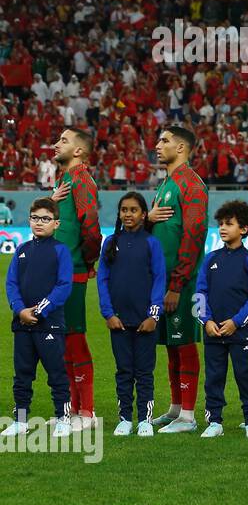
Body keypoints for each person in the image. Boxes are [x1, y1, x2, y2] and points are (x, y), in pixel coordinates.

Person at [147, 126, 209, 434]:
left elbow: (193, 236)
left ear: (182, 147)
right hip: (163, 282)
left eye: (164, 140)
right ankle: (175, 407)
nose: (157, 145)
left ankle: (188, 414)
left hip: (181, 283)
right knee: (171, 344)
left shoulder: (191, 184)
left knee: (184, 343)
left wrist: (176, 283)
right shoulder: (167, 184)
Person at [96, 192, 166, 437]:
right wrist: (108, 313)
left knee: (144, 372)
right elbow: (102, 280)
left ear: (143, 214)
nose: (128, 214)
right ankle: (125, 418)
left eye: (133, 210)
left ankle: (145, 419)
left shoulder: (151, 243)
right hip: (118, 320)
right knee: (124, 371)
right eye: (124, 209)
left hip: (145, 321)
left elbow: (159, 279)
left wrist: (153, 316)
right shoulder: (110, 243)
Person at [2, 197, 72, 438]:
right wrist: (20, 310)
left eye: (45, 219)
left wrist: (39, 310)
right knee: (22, 374)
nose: (39, 223)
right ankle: (20, 419)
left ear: (56, 223)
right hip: (22, 324)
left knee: (56, 373)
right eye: (35, 218)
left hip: (49, 323)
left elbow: (64, 286)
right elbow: (11, 284)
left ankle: (63, 417)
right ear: (28, 220)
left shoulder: (60, 250)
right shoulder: (22, 250)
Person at [196, 201, 248, 439]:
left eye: (229, 224)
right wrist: (206, 321)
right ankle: (214, 421)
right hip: (213, 331)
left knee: (245, 375)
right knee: (213, 377)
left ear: (244, 229)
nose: (223, 228)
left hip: (240, 332)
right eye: (221, 224)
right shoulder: (210, 259)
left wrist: (236, 322)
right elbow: (199, 294)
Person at [50, 127, 102, 431]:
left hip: (72, 271)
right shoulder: (64, 179)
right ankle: (73, 409)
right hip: (60, 269)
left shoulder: (81, 178)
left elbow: (91, 226)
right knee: (63, 340)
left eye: (64, 141)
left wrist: (86, 260)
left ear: (79, 151)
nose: (57, 145)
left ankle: (88, 412)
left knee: (74, 338)